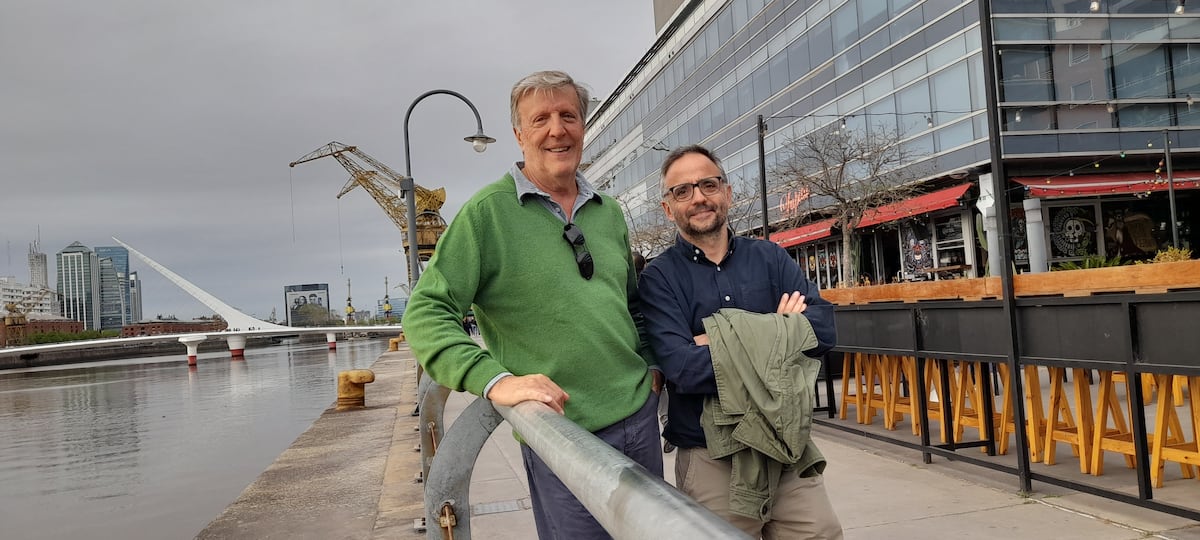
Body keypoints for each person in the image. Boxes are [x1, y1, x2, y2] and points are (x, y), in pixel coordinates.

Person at [402, 70, 662, 540]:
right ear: (520, 135)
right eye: (540, 119)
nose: (556, 129)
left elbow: (630, 303)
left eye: (568, 115)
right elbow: (425, 313)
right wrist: (493, 381)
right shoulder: (487, 215)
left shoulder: (609, 211)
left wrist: (650, 365)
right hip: (563, 434)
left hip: (640, 419)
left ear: (584, 126)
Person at [639, 144, 843, 539]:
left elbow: (824, 329)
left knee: (822, 532)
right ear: (668, 209)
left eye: (708, 184)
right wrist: (780, 329)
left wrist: (717, 340)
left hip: (787, 448)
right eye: (682, 191)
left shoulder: (770, 258)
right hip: (712, 456)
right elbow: (683, 369)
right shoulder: (658, 279)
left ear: (727, 193)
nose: (698, 197)